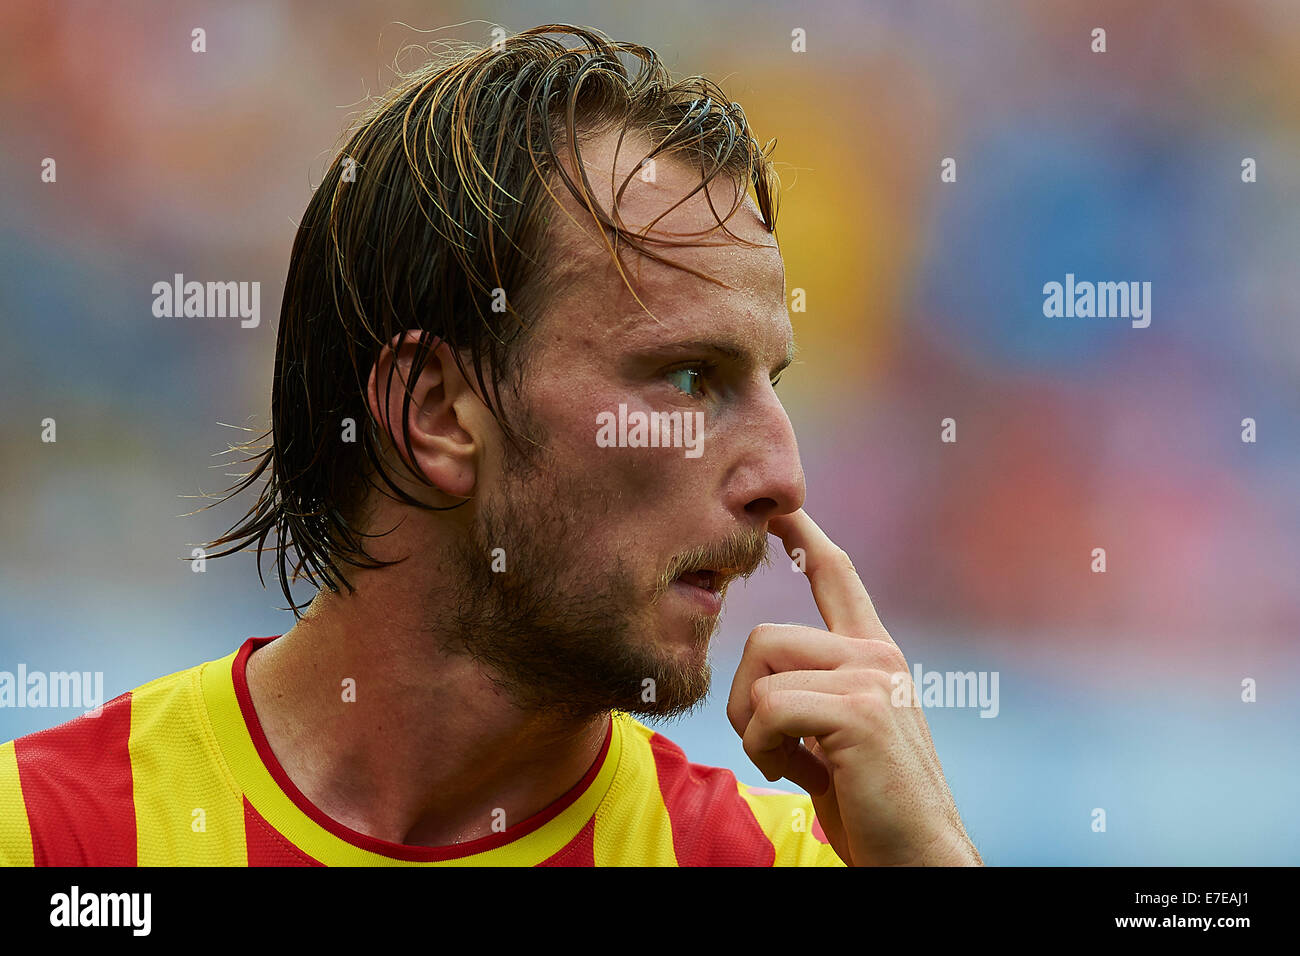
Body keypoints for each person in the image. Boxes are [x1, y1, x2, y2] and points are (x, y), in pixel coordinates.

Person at [0, 24, 980, 866]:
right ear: (435, 410)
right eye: (689, 378)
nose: (783, 477)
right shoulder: (49, 835)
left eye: (772, 384)